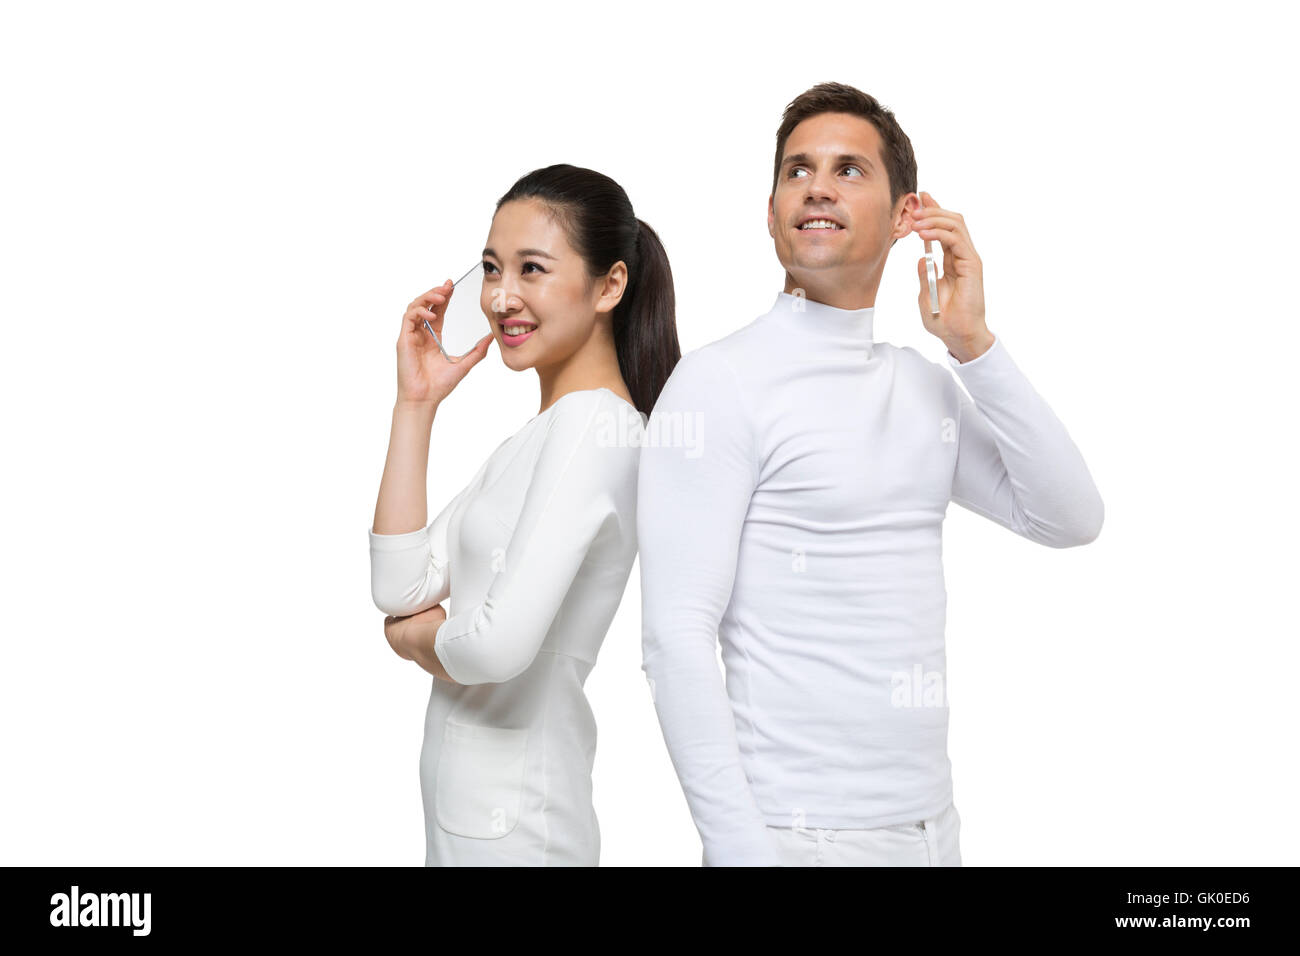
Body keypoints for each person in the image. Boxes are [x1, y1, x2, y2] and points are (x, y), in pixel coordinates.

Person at [636, 82, 1104, 867]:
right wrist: (742, 851)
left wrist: (974, 343)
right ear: (772, 211)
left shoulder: (923, 387)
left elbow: (1069, 516)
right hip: (795, 837)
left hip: (930, 832)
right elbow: (673, 637)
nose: (816, 185)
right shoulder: (720, 383)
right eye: (796, 170)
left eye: (849, 169)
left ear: (904, 218)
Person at [369, 164, 680, 866]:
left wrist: (412, 642)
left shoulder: (595, 430)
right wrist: (415, 406)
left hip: (521, 831)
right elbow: (398, 585)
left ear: (611, 285)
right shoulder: (540, 438)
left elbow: (494, 649)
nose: (501, 297)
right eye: (490, 269)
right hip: (478, 823)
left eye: (531, 269)